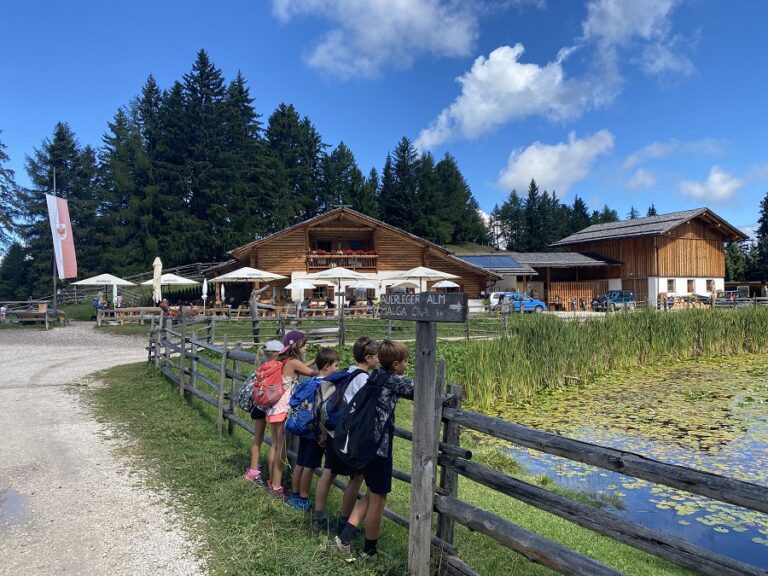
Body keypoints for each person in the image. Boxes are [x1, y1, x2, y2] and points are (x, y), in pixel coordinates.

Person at [333, 340, 413, 560]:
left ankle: (344, 539)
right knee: (378, 500)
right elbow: (421, 390)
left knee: (371, 494)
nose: (407, 365)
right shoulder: (394, 382)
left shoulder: (376, 375)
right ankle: (370, 551)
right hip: (379, 448)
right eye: (406, 361)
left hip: (365, 444)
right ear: (396, 364)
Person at [311, 336, 379, 534]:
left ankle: (318, 516)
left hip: (333, 431)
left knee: (329, 472)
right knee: (356, 477)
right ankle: (344, 520)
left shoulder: (347, 371)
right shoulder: (364, 379)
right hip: (349, 436)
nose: (379, 360)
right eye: (376, 357)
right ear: (368, 358)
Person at [286, 348, 341, 511]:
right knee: (309, 466)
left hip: (304, 428)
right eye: (336, 366)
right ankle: (303, 498)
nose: (337, 369)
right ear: (326, 366)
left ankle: (294, 494)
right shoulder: (327, 386)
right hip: (316, 432)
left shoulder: (310, 382)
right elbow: (325, 412)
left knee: (301, 462)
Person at [265, 330, 318, 499]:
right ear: (296, 345)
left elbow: (302, 368)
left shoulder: (286, 360)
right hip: (284, 409)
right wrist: (323, 365)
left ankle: (272, 481)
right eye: (304, 344)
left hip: (275, 407)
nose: (306, 346)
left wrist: (314, 361)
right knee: (282, 448)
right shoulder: (294, 362)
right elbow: (314, 373)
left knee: (275, 445)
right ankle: (277, 486)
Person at [243, 340, 285, 487]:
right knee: (276, 443)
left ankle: (253, 471)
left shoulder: (262, 366)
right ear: (278, 354)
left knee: (257, 439)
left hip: (259, 405)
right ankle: (273, 480)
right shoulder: (280, 366)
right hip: (273, 406)